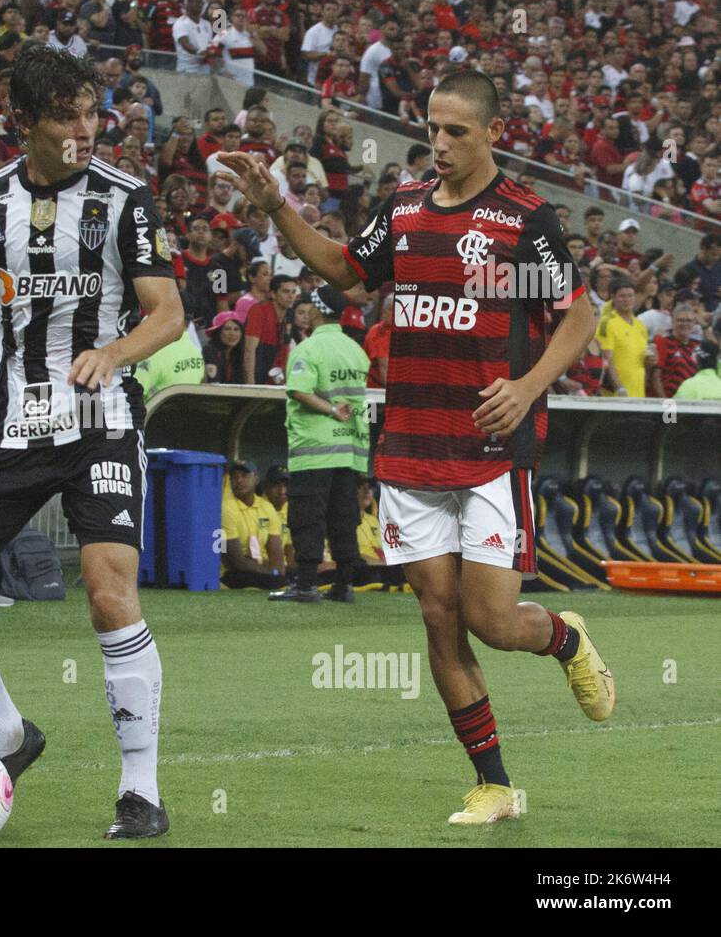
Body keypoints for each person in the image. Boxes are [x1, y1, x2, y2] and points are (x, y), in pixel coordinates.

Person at [217, 69, 612, 825]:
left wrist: (527, 387)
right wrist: (278, 207)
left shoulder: (523, 221)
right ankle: (494, 784)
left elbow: (578, 317)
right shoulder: (402, 213)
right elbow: (344, 272)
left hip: (490, 452)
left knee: (492, 623)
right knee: (438, 616)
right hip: (408, 451)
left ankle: (564, 639)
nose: (440, 143)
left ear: (492, 133)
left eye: (456, 131)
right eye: (431, 128)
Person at [0, 44, 184, 839]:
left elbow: (167, 312)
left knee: (107, 591)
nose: (86, 129)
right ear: (24, 122)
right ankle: (7, 734)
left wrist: (116, 352)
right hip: (8, 422)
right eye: (67, 117)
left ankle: (140, 791)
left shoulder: (126, 200)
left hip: (99, 422)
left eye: (93, 113)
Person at [268, 285, 369, 603]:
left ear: (316, 310)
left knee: (307, 516)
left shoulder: (308, 349)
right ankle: (343, 585)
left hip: (315, 448)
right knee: (344, 517)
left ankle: (307, 584)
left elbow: (299, 390)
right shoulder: (356, 350)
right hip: (349, 449)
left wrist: (329, 410)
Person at [220, 459, 286, 589]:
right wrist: (272, 573)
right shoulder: (226, 508)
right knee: (276, 582)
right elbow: (235, 562)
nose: (239, 480)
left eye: (244, 476)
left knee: (286, 580)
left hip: (259, 570)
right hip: (230, 574)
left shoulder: (266, 507)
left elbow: (276, 554)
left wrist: (277, 572)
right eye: (234, 477)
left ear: (256, 479)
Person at [597, 277, 652, 396]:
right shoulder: (607, 323)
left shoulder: (640, 325)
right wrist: (619, 387)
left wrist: (651, 361)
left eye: (630, 296)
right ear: (613, 297)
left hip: (638, 392)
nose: (626, 300)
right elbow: (607, 359)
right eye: (622, 296)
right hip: (616, 395)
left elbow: (643, 360)